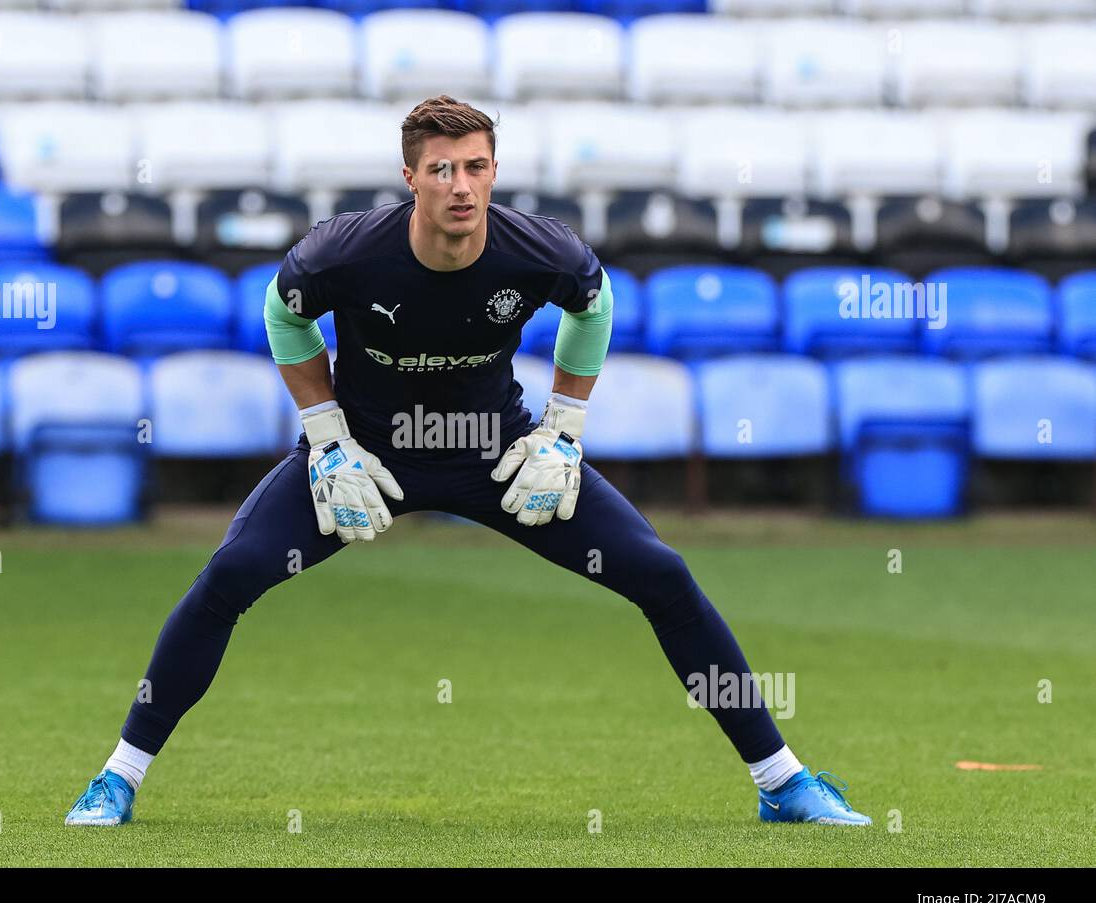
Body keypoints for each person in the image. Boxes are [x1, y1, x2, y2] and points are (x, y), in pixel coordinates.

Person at [65, 94, 870, 829]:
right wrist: (325, 435)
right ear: (409, 176)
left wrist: (563, 428)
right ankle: (117, 779)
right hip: (366, 457)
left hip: (497, 455)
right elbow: (283, 315)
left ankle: (782, 781)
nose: (460, 184)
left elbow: (594, 306)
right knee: (229, 576)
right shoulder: (342, 253)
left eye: (476, 166)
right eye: (441, 168)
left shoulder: (537, 251)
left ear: (494, 172)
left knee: (661, 574)